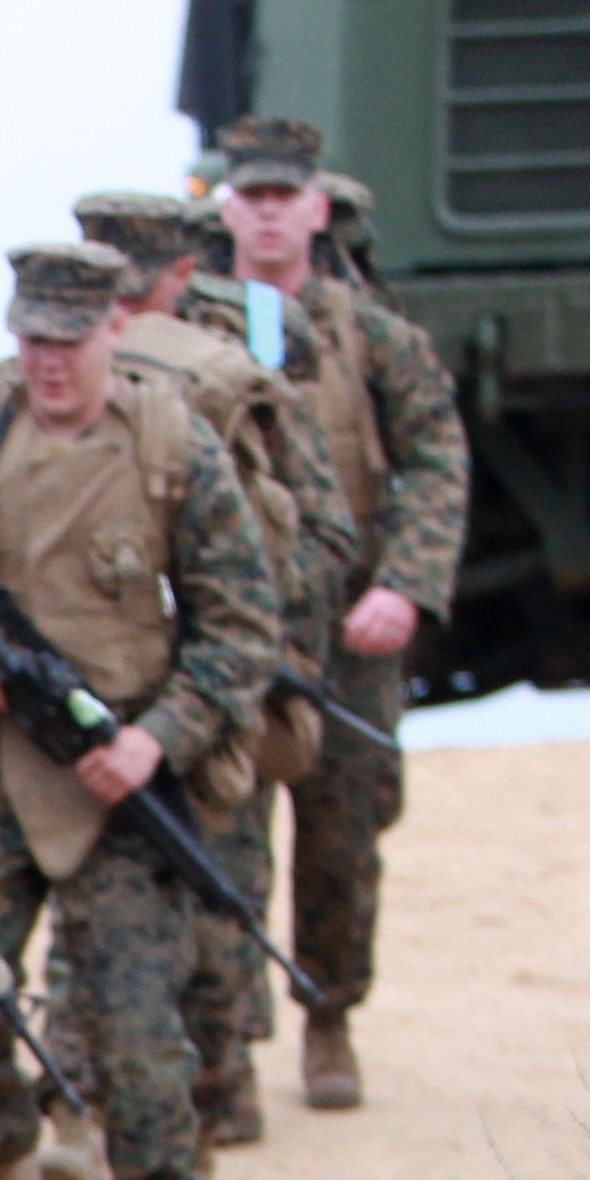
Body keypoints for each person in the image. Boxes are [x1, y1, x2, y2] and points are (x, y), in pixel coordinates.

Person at [0, 244, 283, 1180]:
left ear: (111, 333)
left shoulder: (173, 449)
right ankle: (1, 1166)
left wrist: (154, 736)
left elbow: (240, 629)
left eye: (68, 341)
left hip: (121, 776)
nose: (48, 363)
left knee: (132, 1035)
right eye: (30, 341)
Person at [79, 186, 344, 1169]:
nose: (108, 305)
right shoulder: (58, 378)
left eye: (127, 283)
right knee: (97, 900)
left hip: (219, 672)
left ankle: (219, 1076)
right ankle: (110, 1109)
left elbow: (313, 524)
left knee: (220, 880)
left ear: (177, 279)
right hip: (96, 688)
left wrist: (266, 645)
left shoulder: (240, 365)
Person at [216, 113, 467, 1110]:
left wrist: (401, 585)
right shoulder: (192, 336)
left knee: (340, 831)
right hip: (229, 630)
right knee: (217, 837)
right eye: (252, 197)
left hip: (345, 628)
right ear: (226, 207)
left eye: (286, 197)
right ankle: (220, 1049)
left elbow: (434, 461)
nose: (268, 215)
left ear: (317, 210)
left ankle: (327, 1014)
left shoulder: (373, 338)